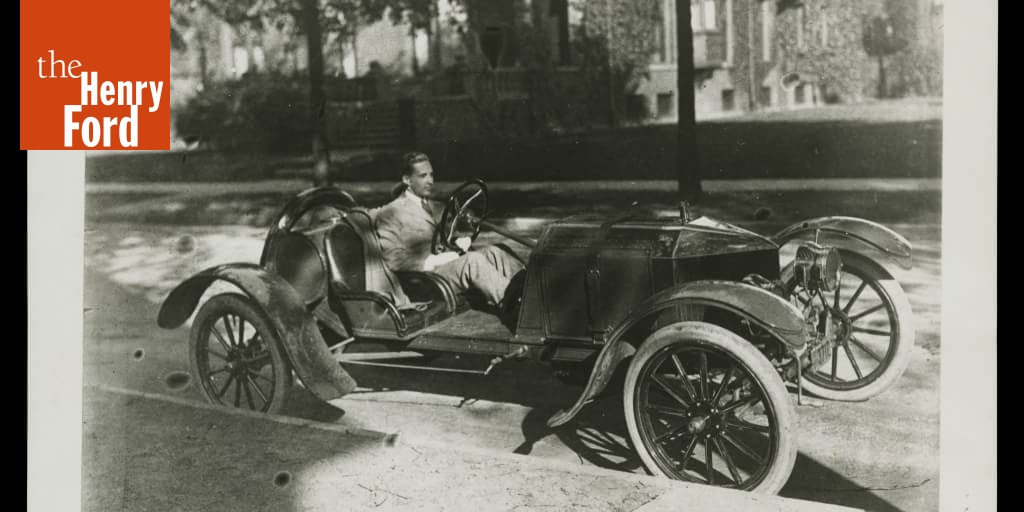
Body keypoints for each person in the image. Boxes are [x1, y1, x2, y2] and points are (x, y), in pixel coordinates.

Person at [375, 152, 525, 311]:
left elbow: (449, 237)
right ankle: (516, 308)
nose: (430, 181)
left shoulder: (437, 207)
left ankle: (532, 296)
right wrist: (435, 261)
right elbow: (394, 260)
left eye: (431, 175)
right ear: (407, 180)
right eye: (423, 176)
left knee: (496, 251)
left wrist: (459, 240)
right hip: (426, 280)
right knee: (473, 261)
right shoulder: (390, 213)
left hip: (450, 269)